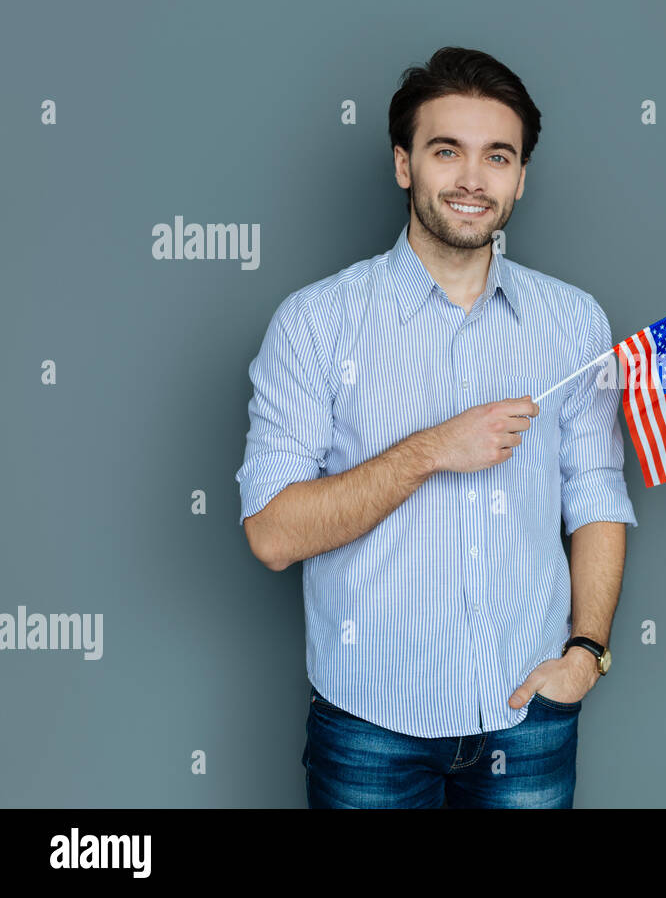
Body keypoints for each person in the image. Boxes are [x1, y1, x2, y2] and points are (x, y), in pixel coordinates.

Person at [235, 46, 636, 808]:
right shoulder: (316, 324)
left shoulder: (574, 320)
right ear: (403, 165)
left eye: (498, 156)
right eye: (446, 151)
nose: (472, 180)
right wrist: (430, 451)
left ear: (521, 178)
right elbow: (272, 535)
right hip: (369, 726)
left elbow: (596, 493)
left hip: (528, 718)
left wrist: (585, 652)